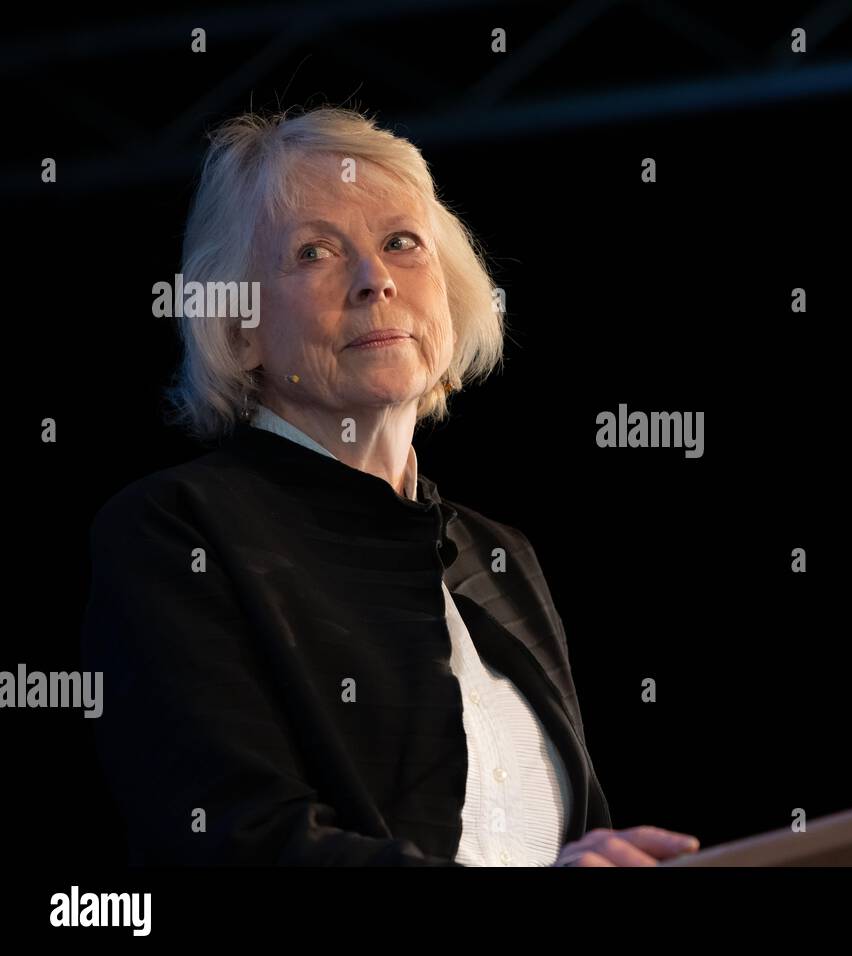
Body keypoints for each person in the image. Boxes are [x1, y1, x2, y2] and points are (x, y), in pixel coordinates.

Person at [80, 105, 699, 867]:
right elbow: (234, 842)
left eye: (402, 243)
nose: (375, 280)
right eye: (314, 252)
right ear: (238, 328)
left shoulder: (499, 554)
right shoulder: (176, 531)